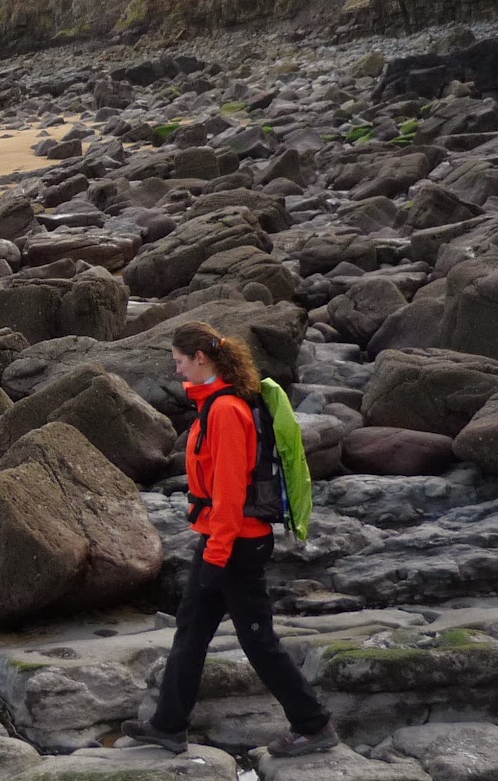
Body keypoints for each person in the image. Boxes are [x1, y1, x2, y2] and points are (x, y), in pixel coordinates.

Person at [121, 321, 338, 759]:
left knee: (257, 639)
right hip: (225, 542)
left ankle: (313, 725)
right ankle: (168, 726)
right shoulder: (219, 402)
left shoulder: (225, 411)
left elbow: (229, 494)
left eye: (181, 362)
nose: (178, 371)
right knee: (191, 632)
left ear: (202, 358)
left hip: (237, 544)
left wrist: (217, 555)